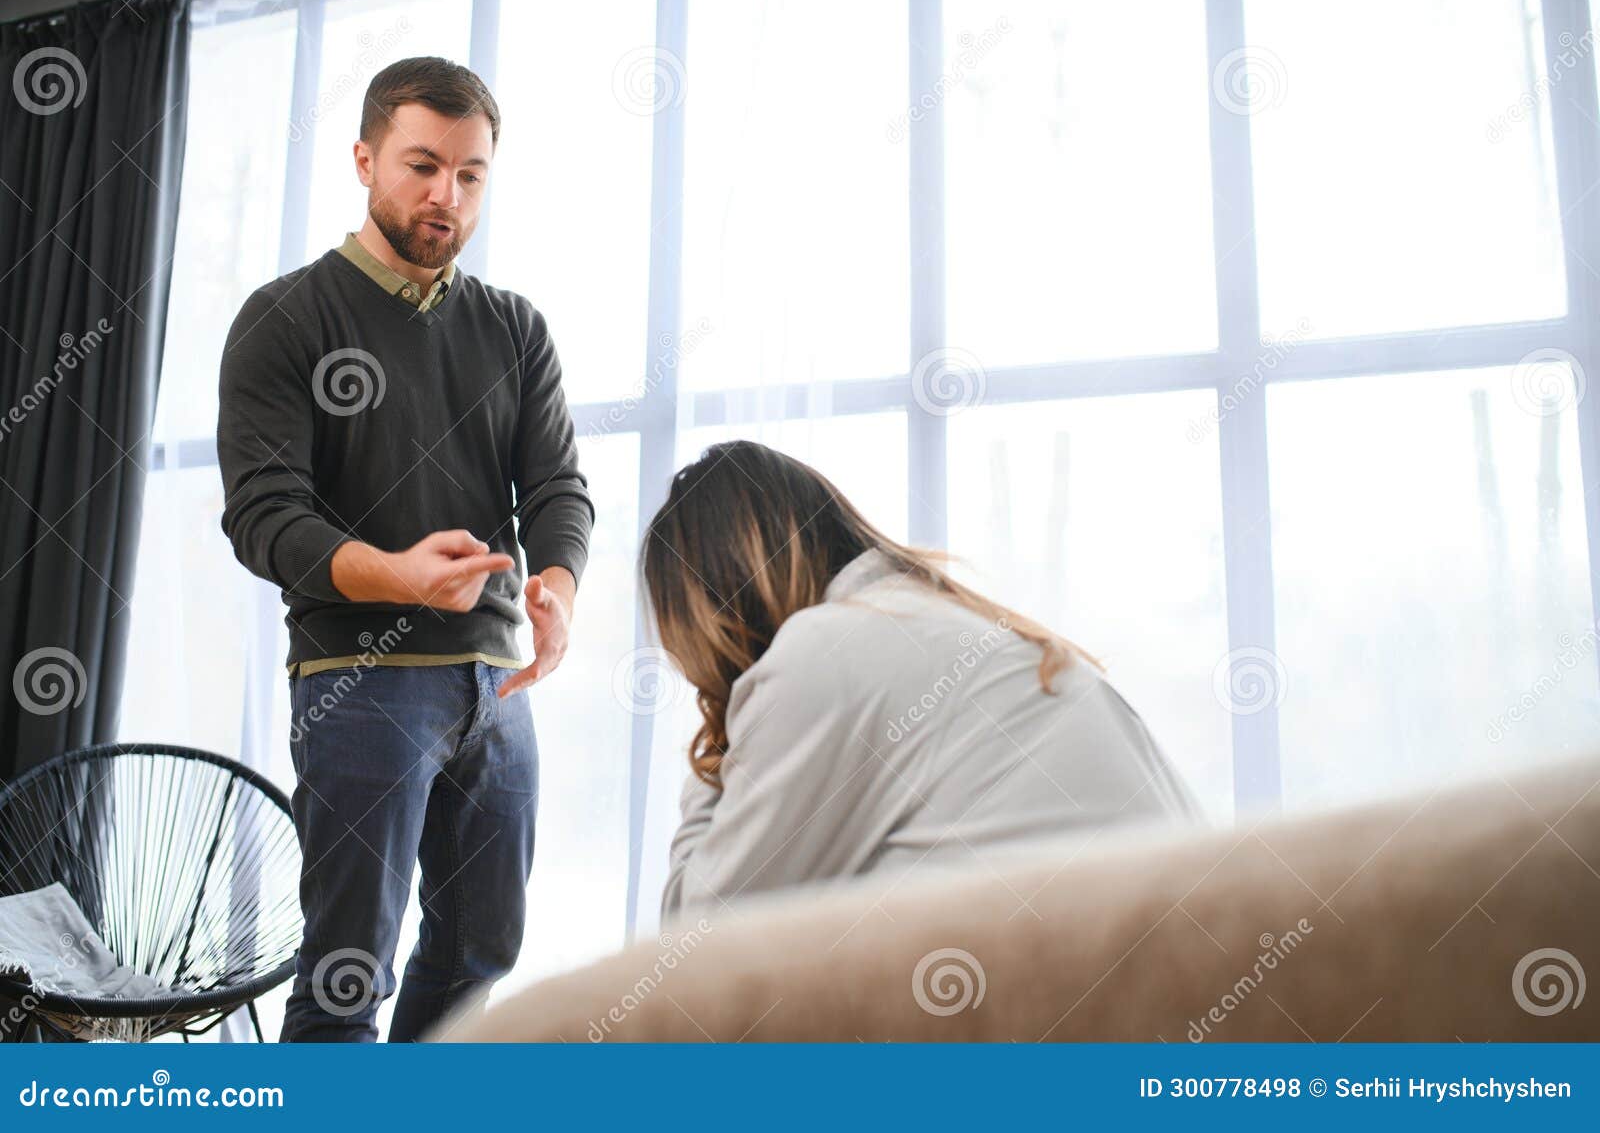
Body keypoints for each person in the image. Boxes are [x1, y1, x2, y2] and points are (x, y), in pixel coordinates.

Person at [216, 57, 593, 1040]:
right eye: (422, 165)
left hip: (496, 688)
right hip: (359, 685)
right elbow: (263, 516)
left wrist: (555, 587)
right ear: (363, 158)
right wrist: (397, 577)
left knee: (480, 958)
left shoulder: (515, 328)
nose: (445, 195)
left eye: (470, 175)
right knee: (350, 977)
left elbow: (555, 488)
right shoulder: (284, 319)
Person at [649, 441, 1200, 924]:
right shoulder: (952, 626)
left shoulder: (824, 655)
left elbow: (696, 941)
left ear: (707, 614)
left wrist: (721, 733)